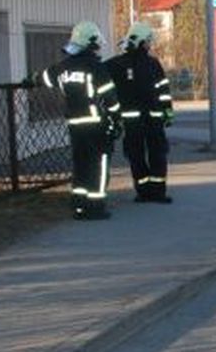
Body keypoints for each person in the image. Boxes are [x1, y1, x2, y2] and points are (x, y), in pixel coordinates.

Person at [35, 21, 122, 220]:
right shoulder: (96, 68)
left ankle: (79, 206)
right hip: (96, 124)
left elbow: (44, 78)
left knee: (81, 165)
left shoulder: (63, 68)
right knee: (98, 165)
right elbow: (110, 98)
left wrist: (30, 80)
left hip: (75, 125)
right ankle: (96, 207)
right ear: (91, 43)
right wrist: (116, 121)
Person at [105, 22, 174, 204]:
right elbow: (163, 91)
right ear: (143, 42)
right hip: (154, 118)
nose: (150, 45)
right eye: (149, 42)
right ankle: (157, 192)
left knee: (136, 155)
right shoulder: (152, 63)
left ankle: (143, 192)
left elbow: (101, 79)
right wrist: (168, 113)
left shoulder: (116, 64)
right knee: (157, 154)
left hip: (132, 121)